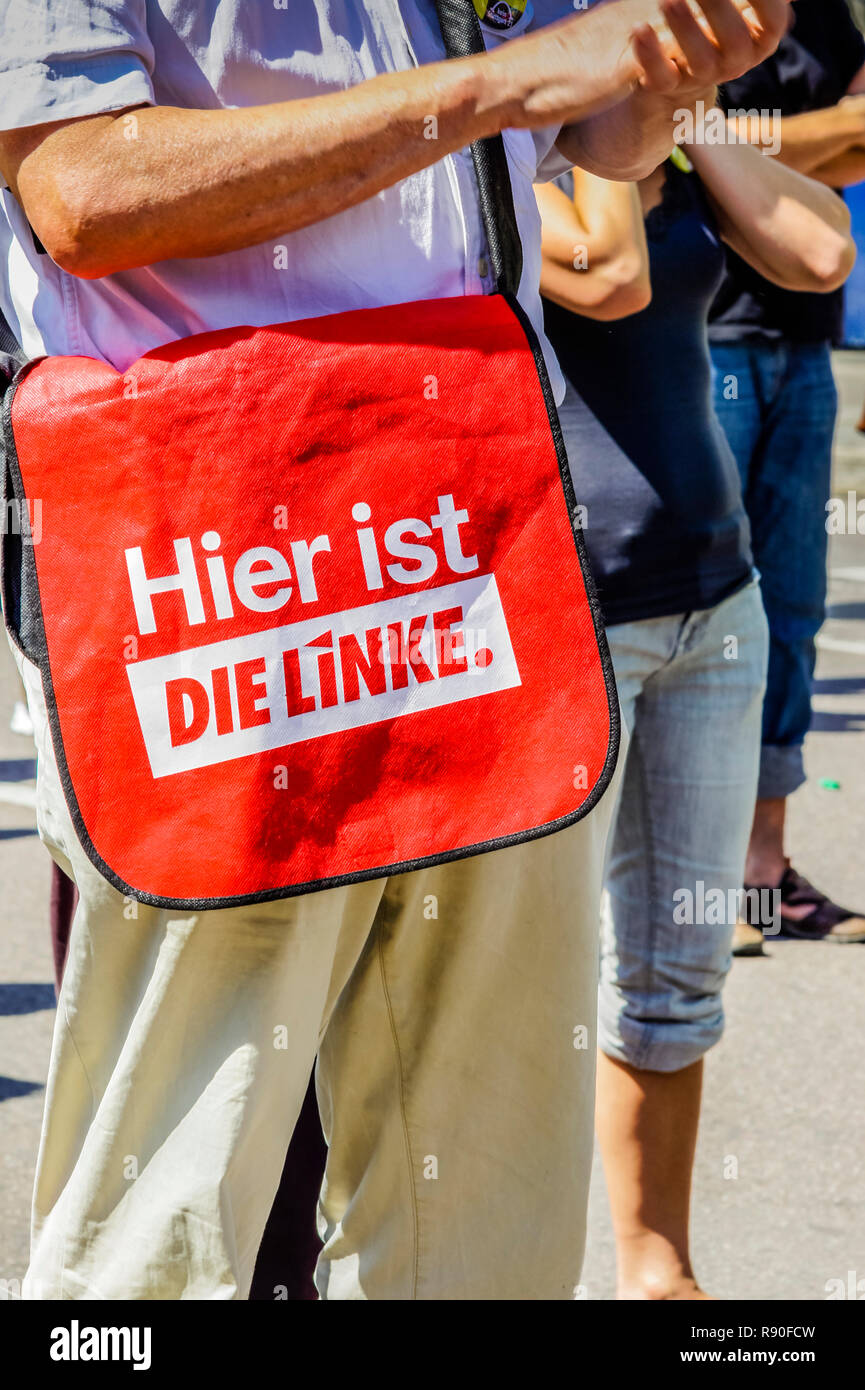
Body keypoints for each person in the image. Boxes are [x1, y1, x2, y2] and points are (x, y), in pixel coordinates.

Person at [0, 0, 793, 1303]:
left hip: (477, 551)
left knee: (484, 1186)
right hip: (222, 583)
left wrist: (671, 62)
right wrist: (496, 81)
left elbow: (589, 155)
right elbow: (82, 191)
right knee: (171, 1206)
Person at [537, 108, 854, 1297]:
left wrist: (685, 117)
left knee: (675, 977)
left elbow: (821, 254)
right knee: (516, 985)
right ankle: (504, 1261)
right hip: (561, 616)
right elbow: (609, 270)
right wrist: (585, 110)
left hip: (709, 608)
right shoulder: (502, 148)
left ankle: (657, 1273)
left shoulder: (668, 141)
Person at [709, 0, 865, 951]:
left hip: (802, 345)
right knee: (701, 618)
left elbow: (839, 153)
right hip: (701, 338)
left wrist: (747, 153)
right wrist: (823, 136)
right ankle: (690, 877)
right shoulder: (692, 13)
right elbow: (684, 149)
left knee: (792, 612)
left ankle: (762, 878)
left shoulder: (826, 18)